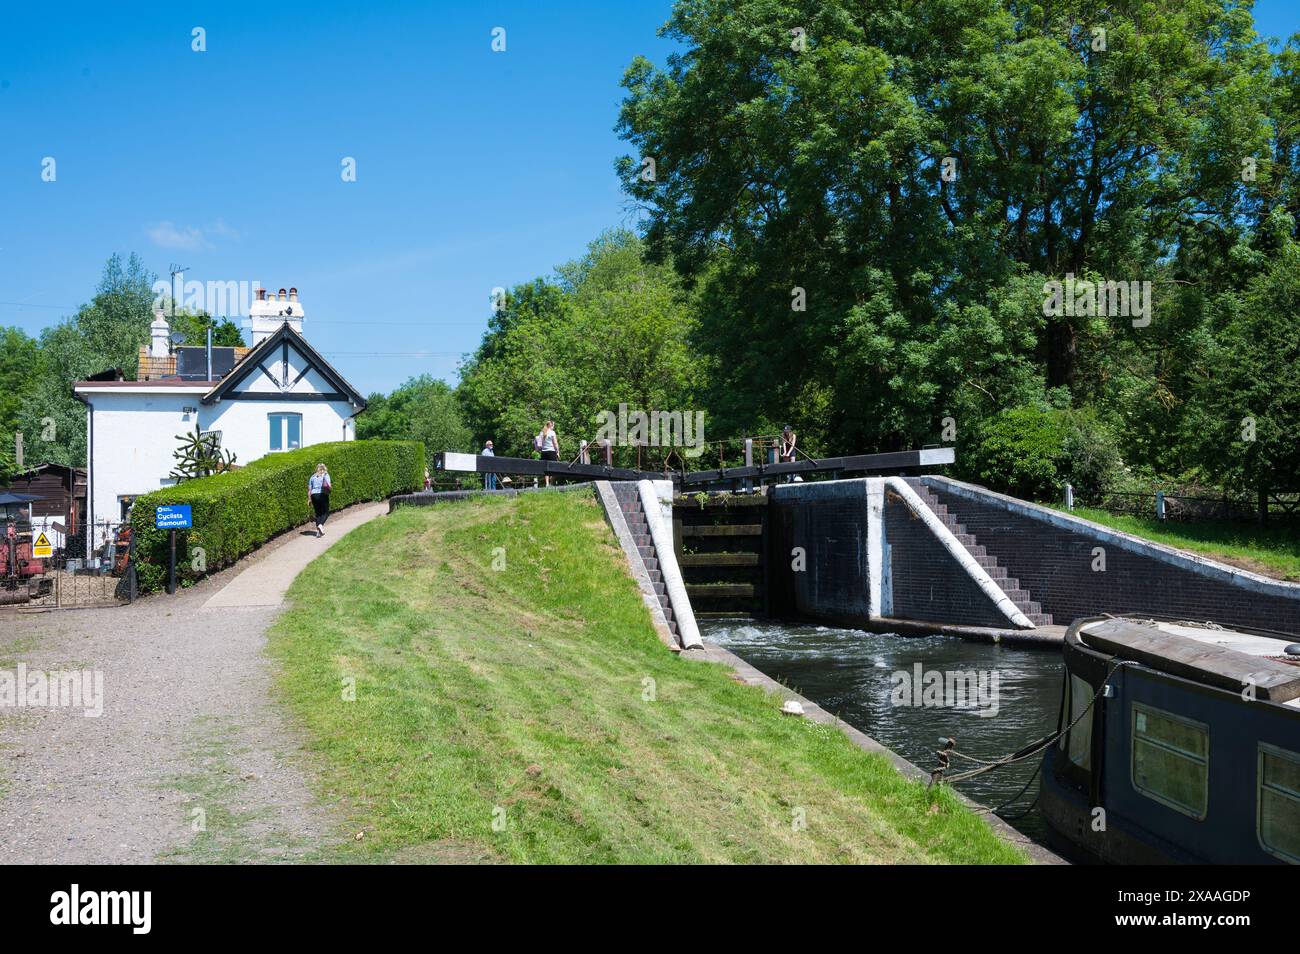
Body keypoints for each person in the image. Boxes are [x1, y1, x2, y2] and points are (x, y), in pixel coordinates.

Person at [308, 464, 332, 537]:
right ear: (324, 468)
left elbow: (309, 489)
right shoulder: (325, 475)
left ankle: (319, 532)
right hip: (322, 494)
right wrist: (329, 489)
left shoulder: (312, 477)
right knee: (326, 512)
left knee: (318, 513)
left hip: (313, 495)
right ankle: (320, 525)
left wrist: (309, 499)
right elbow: (329, 485)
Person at [535, 421, 559, 486]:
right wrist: (557, 452)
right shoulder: (552, 432)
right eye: (553, 426)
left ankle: (547, 484)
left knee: (546, 469)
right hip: (551, 451)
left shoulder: (541, 432)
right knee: (554, 468)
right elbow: (555, 443)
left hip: (544, 452)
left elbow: (539, 444)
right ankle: (551, 483)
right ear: (551, 425)